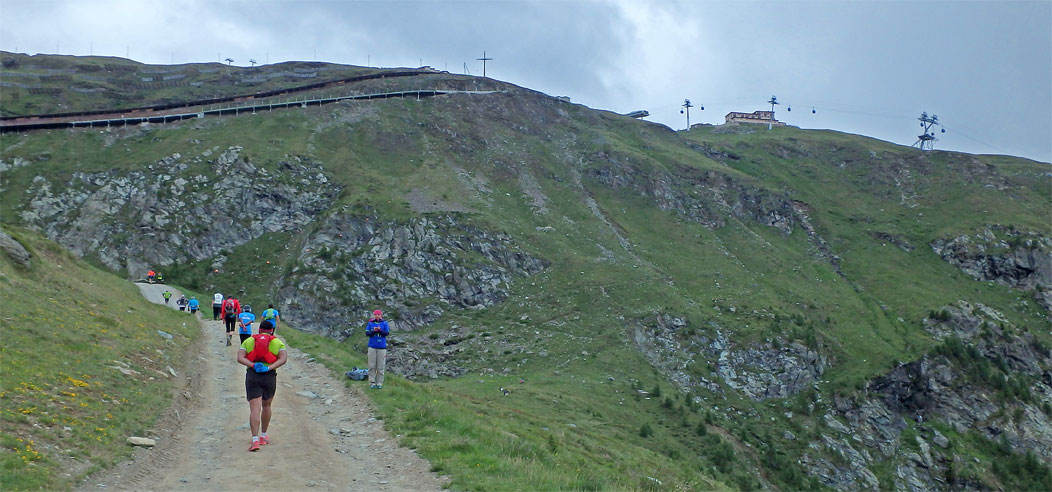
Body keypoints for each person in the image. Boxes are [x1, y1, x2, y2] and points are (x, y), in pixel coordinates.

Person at [236, 319, 287, 452]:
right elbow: (283, 359)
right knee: (267, 406)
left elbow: (240, 357)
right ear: (272, 331)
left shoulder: (249, 341)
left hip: (253, 375)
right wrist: (269, 367)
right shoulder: (278, 342)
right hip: (269, 376)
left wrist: (253, 365)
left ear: (259, 330)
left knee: (255, 409)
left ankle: (255, 440)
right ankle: (263, 436)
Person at [365, 309, 390, 389]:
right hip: (372, 346)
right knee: (371, 365)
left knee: (381, 366)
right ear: (374, 315)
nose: (377, 316)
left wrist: (380, 330)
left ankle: (379, 382)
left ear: (381, 315)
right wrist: (374, 331)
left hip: (382, 347)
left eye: (379, 314)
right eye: (376, 314)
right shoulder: (370, 323)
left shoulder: (385, 323)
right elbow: (367, 333)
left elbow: (386, 333)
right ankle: (371, 382)